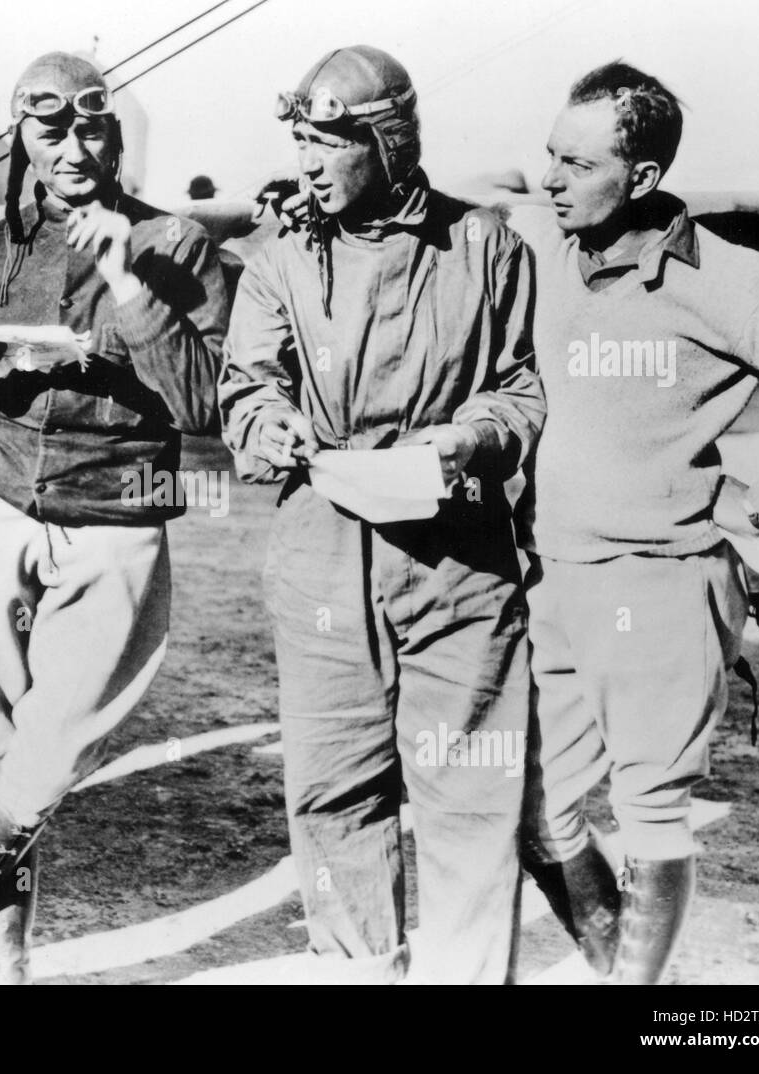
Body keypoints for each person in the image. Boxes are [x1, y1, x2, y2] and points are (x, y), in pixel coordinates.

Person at [0, 51, 228, 985]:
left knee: (48, 753)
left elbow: (204, 402)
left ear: (114, 134)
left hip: (113, 513)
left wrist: (130, 282)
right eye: (50, 131)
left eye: (92, 128)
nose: (73, 148)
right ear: (22, 139)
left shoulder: (178, 245)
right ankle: (7, 954)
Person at [219, 46, 544, 984]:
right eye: (301, 143)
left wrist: (467, 439)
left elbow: (523, 387)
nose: (310, 163)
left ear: (388, 143)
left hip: (460, 560)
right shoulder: (278, 258)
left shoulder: (484, 246)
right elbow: (244, 389)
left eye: (330, 143)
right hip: (322, 550)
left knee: (469, 791)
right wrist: (269, 423)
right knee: (333, 790)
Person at [508, 62, 759, 983]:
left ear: (642, 178)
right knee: (533, 811)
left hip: (661, 588)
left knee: (649, 808)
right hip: (552, 581)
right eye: (550, 158)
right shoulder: (549, 250)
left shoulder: (722, 278)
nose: (553, 181)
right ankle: (628, 975)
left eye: (577, 164)